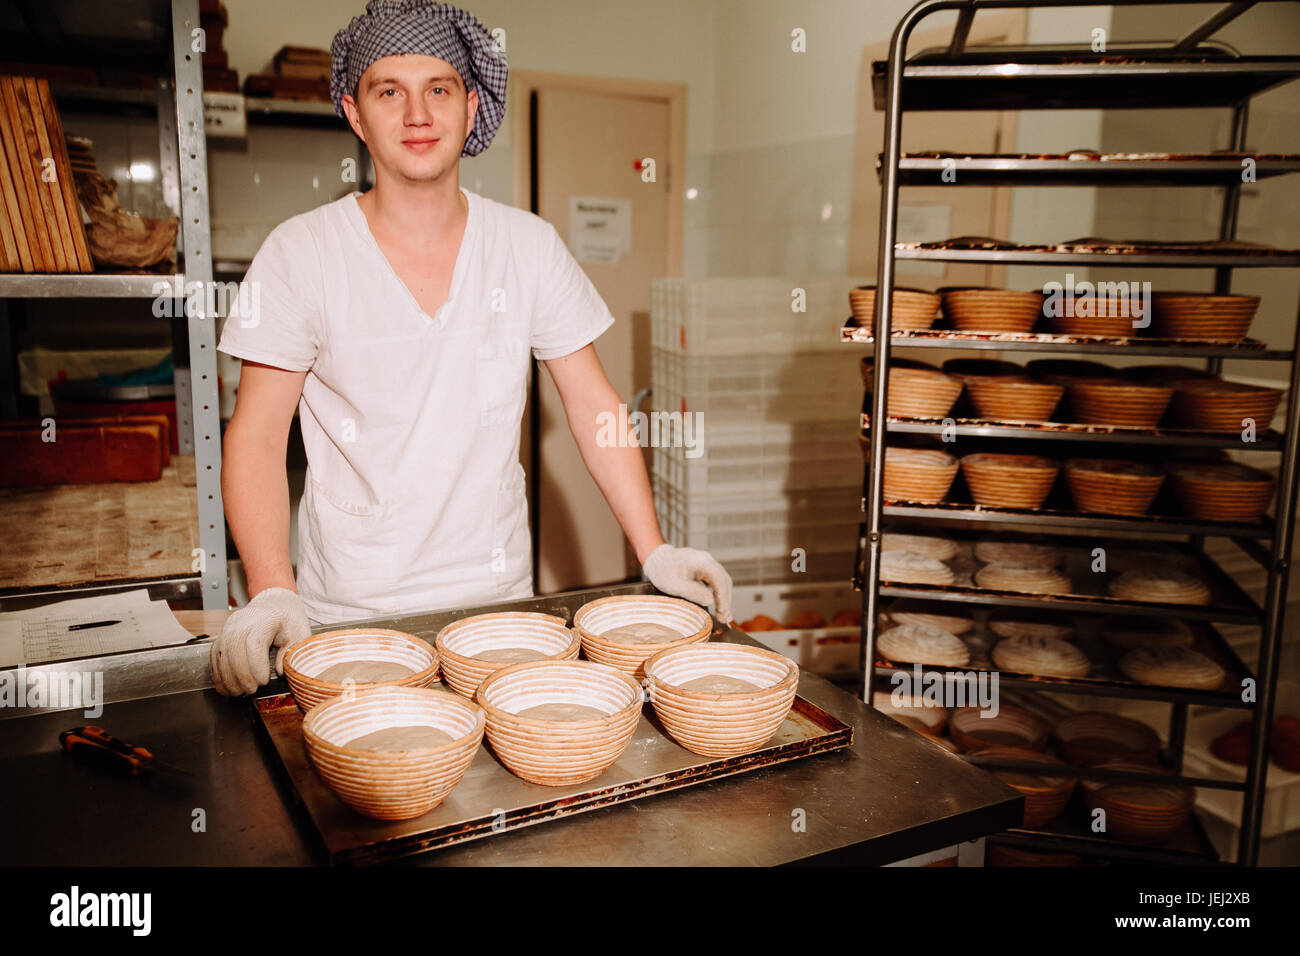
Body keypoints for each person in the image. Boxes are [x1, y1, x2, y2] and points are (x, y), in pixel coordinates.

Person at [208, 0, 732, 697]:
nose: (417, 113)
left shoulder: (527, 247)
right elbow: (255, 436)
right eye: (388, 90)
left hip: (499, 614)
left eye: (439, 89)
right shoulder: (302, 254)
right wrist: (274, 590)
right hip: (349, 618)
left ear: (470, 104)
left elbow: (593, 405)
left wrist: (655, 549)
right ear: (355, 113)